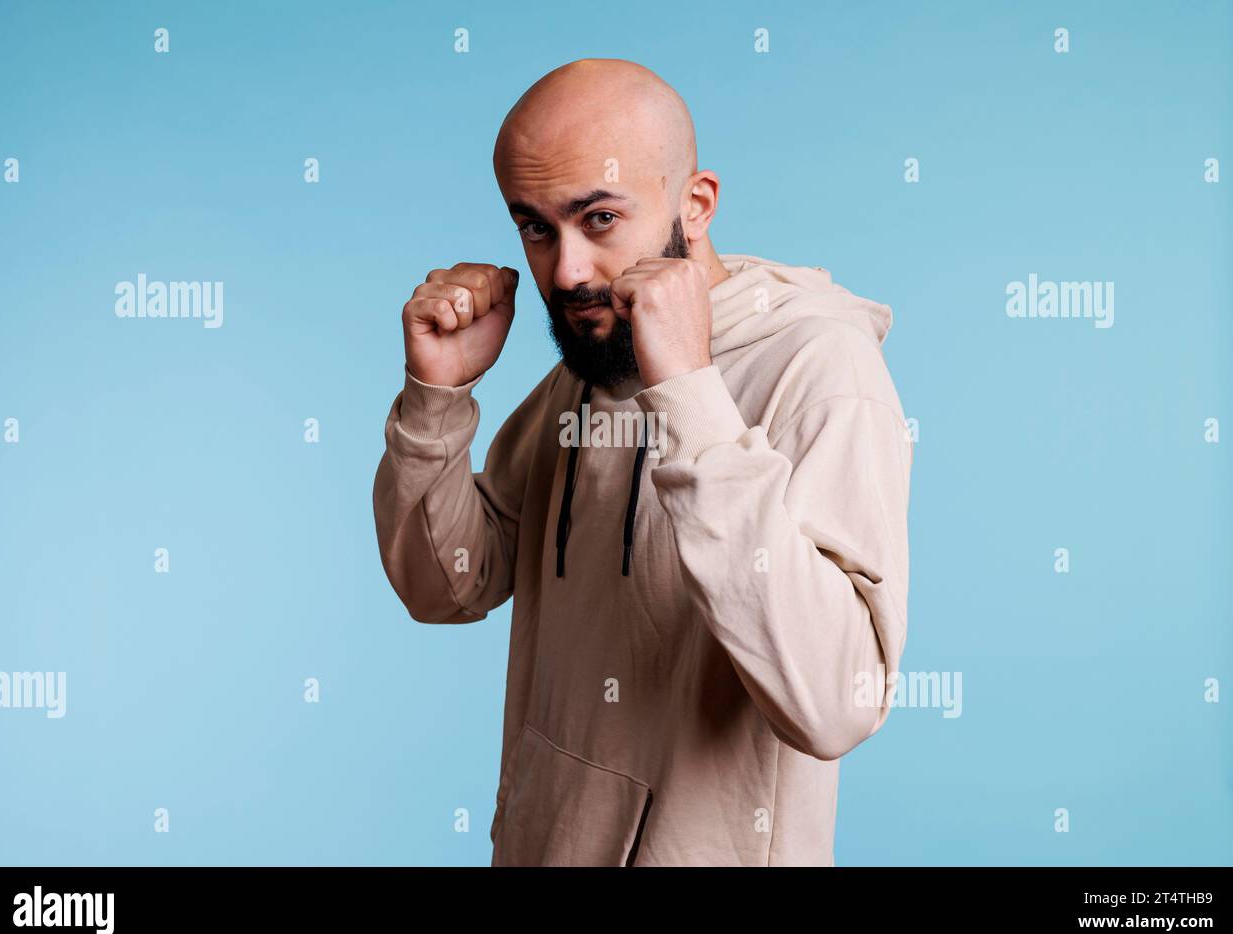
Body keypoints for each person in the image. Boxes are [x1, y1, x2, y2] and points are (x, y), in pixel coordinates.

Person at [372, 57, 913, 866]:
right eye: (535, 226)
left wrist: (690, 393)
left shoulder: (820, 368)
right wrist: (435, 401)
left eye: (597, 220)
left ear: (694, 206)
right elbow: (445, 585)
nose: (566, 272)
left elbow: (836, 705)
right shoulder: (591, 364)